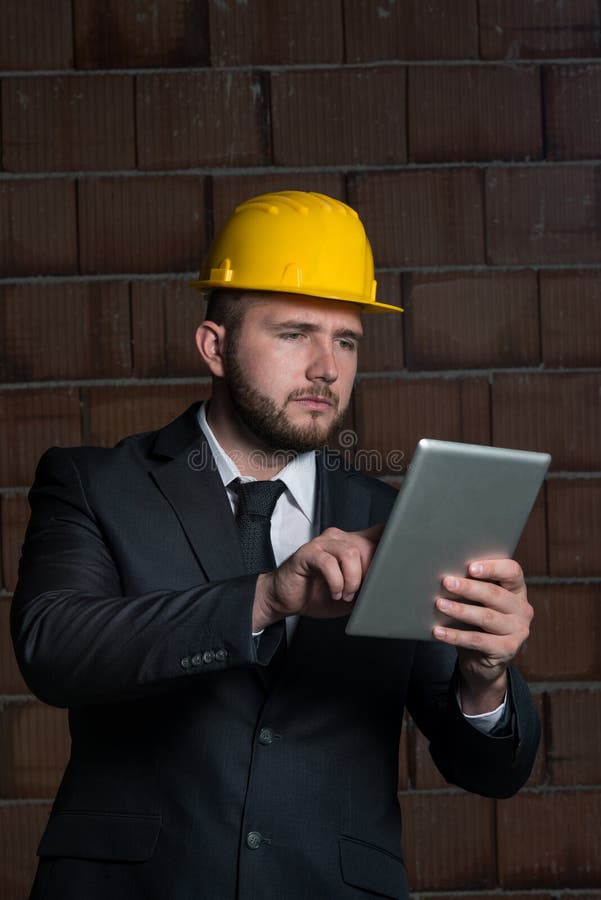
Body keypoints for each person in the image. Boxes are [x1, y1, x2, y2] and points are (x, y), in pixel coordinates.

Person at [12, 191, 539, 900]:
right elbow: (55, 650)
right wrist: (267, 598)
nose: (326, 366)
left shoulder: (392, 518)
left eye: (346, 340)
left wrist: (485, 677)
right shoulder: (96, 483)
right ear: (215, 346)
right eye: (294, 334)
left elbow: (488, 772)